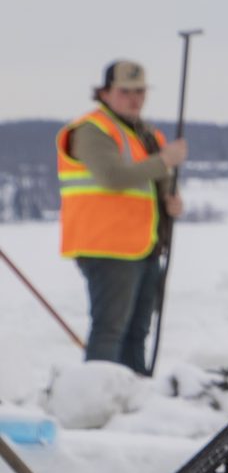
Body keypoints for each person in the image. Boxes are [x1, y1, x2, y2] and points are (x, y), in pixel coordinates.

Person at [56, 60, 185, 372]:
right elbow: (112, 176)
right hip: (106, 247)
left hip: (145, 245)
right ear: (105, 92)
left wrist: (171, 202)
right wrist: (164, 161)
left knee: (137, 332)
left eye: (140, 91)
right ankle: (97, 400)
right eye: (126, 91)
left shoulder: (147, 134)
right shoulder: (92, 129)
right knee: (110, 330)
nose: (134, 98)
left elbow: (151, 187)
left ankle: (134, 395)